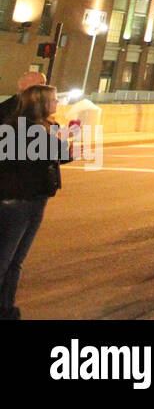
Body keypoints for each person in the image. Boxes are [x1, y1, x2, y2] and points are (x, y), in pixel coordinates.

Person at [0, 83, 71, 319]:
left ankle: (7, 309)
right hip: (17, 202)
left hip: (35, 199)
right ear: (40, 103)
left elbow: (62, 156)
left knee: (15, 261)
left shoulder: (43, 128)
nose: (57, 103)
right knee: (5, 260)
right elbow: (55, 155)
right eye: (53, 99)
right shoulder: (22, 129)